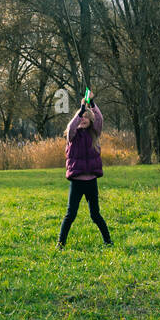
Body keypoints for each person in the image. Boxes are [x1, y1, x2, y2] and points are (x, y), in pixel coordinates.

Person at [56, 96, 113, 249]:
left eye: (87, 118)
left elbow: (100, 119)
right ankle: (60, 244)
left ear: (91, 121)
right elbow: (72, 126)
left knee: (95, 215)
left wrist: (92, 104)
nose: (83, 119)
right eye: (82, 117)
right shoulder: (72, 136)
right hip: (77, 181)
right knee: (70, 215)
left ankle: (108, 241)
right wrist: (80, 111)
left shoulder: (94, 134)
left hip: (91, 181)